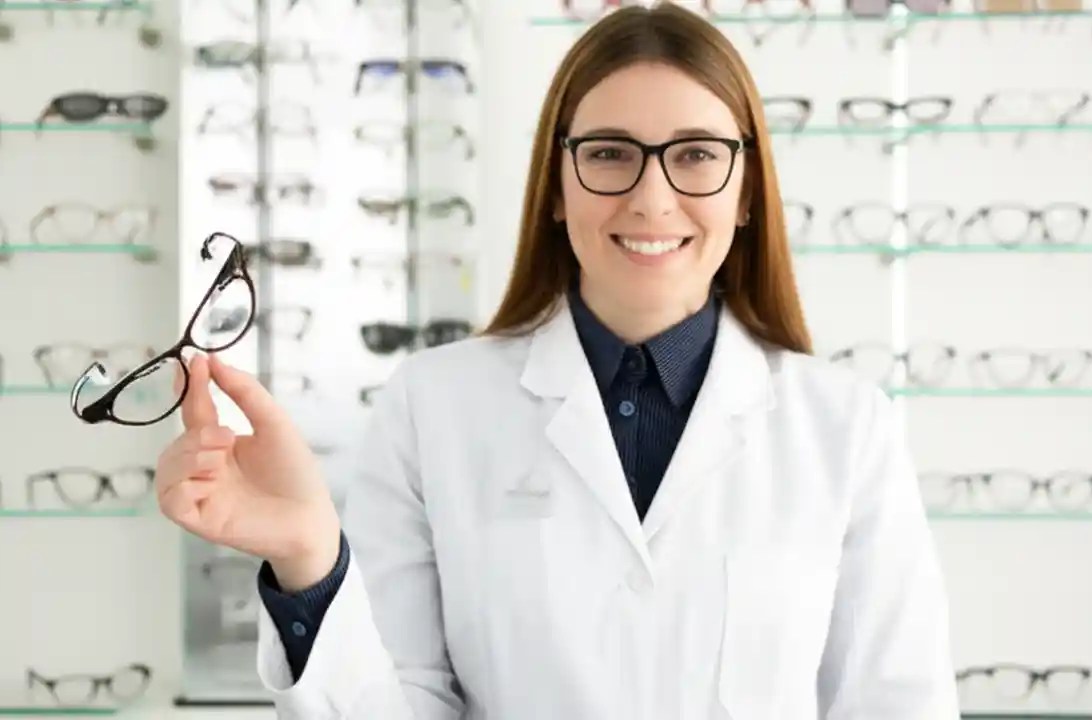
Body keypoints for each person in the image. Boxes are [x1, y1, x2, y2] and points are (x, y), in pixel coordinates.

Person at [154, 3, 959, 718]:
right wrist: (307, 558)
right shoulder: (433, 405)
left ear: (746, 190)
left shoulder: (846, 427)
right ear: (555, 183)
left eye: (696, 155)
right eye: (609, 153)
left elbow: (895, 704)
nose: (651, 198)